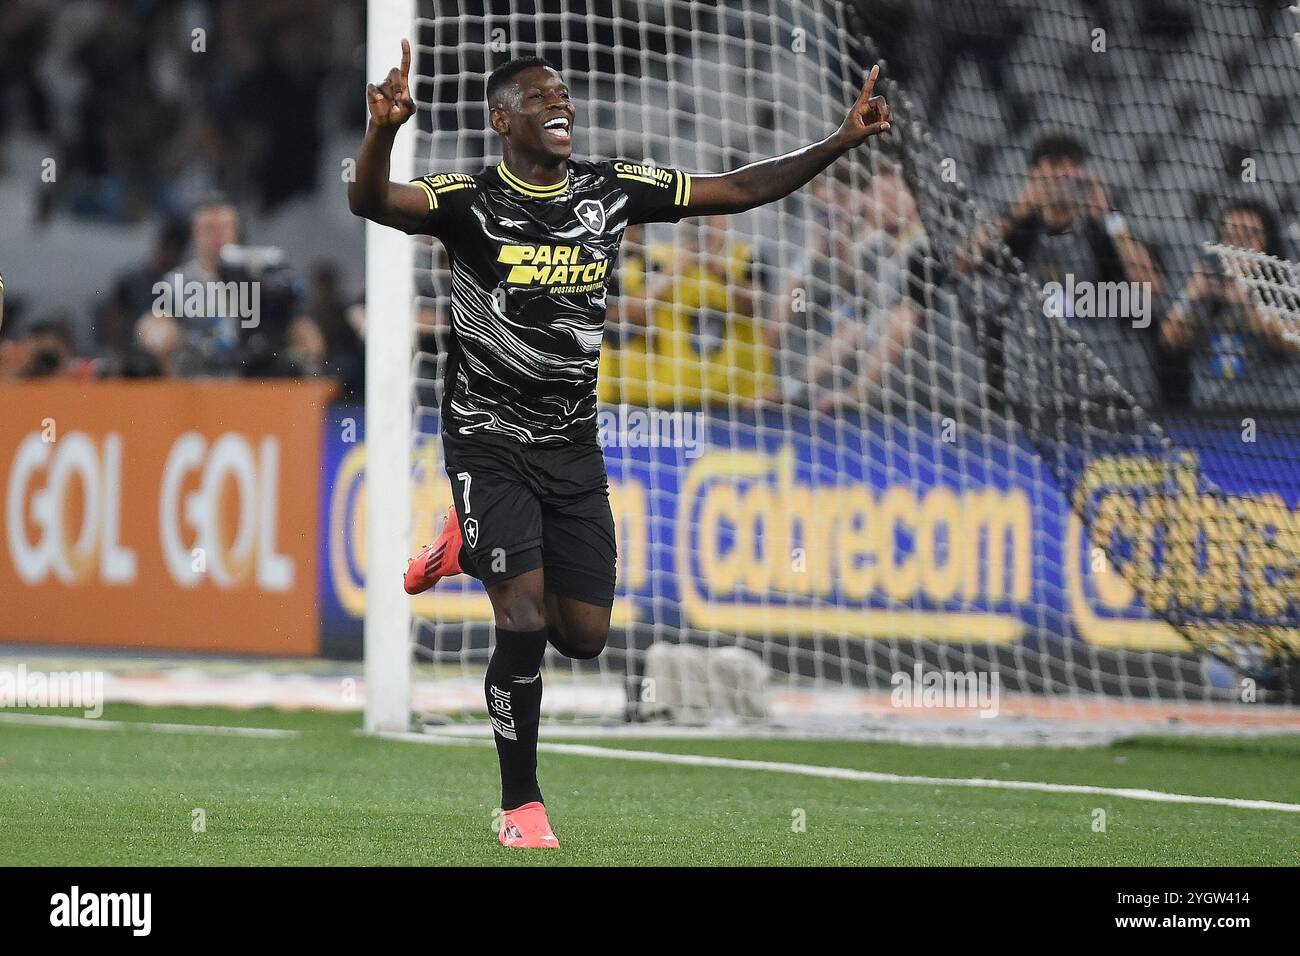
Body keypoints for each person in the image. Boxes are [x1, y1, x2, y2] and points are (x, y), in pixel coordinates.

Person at [348, 42, 891, 848]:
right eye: (539, 97)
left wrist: (839, 140)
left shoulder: (611, 190)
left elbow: (738, 191)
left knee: (585, 636)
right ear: (503, 121)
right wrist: (383, 132)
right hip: (487, 437)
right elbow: (368, 201)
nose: (559, 104)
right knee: (523, 619)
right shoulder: (465, 199)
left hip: (572, 444)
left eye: (563, 93)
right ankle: (521, 804)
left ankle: (467, 544)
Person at [959, 133, 1165, 408]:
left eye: (1073, 165)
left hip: (1100, 380)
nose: (1065, 174)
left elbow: (1150, 289)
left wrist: (1109, 216)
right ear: (1034, 175)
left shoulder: (1102, 231)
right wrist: (1016, 212)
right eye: (1055, 164)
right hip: (1033, 381)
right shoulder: (1017, 229)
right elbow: (962, 263)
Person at [1161, 201, 1300, 411]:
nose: (1238, 247)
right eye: (1231, 237)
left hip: (1275, 417)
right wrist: (1191, 296)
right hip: (1210, 415)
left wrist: (1247, 302)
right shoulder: (1208, 282)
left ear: (1266, 244)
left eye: (1249, 237)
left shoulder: (1285, 283)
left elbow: (1291, 343)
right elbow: (1170, 340)